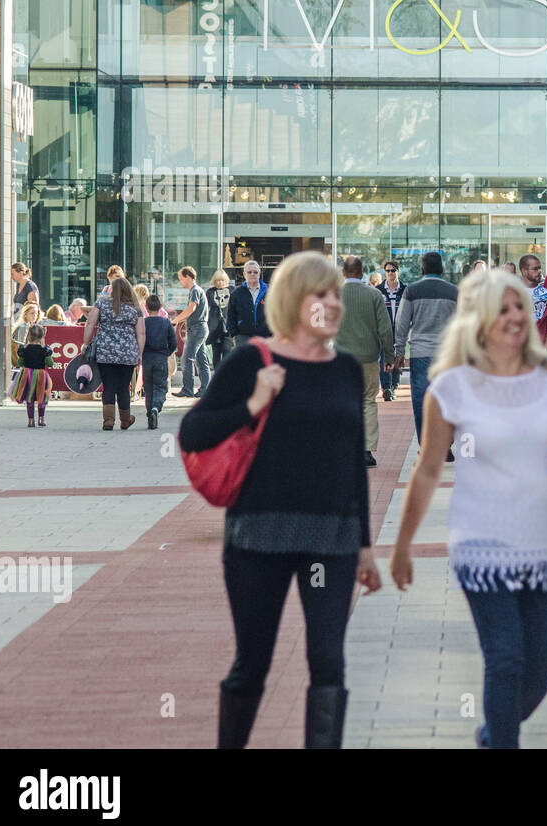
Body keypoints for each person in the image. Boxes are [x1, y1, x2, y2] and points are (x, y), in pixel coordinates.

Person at [179, 251, 382, 750]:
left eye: (336, 294)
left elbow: (351, 462)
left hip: (329, 538)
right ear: (294, 301)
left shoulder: (345, 372)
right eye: (322, 294)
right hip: (258, 534)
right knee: (254, 662)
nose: (333, 303)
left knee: (329, 659)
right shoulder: (253, 359)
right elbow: (193, 430)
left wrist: (362, 544)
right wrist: (253, 404)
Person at [387, 269, 547, 749]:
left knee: (541, 669)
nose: (516, 317)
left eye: (519, 305)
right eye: (503, 308)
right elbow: (429, 470)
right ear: (478, 321)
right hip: (482, 542)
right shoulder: (452, 388)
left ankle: (492, 733)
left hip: (545, 544)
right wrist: (401, 546)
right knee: (505, 662)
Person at [393, 251, 459, 462]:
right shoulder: (454, 291)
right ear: (441, 269)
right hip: (447, 355)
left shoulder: (411, 290)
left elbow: (401, 324)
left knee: (422, 402)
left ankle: (427, 447)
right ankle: (445, 446)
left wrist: (398, 351)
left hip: (420, 354)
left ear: (422, 269)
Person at [334, 256, 395, 469]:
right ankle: (366, 450)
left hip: (341, 359)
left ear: (343, 273)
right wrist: (389, 357)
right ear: (362, 273)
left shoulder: (334, 296)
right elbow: (385, 329)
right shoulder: (374, 295)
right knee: (368, 401)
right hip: (369, 358)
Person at [85, 276, 145, 430]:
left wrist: (85, 343)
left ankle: (108, 421)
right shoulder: (135, 309)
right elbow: (141, 333)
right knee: (124, 387)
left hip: (106, 351)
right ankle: (125, 420)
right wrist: (140, 353)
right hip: (128, 352)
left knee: (109, 386)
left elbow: (91, 322)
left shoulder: (102, 303)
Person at [137, 294, 176, 429]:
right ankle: (156, 408)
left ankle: (150, 414)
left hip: (147, 358)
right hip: (161, 358)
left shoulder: (144, 322)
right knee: (160, 387)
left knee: (148, 388)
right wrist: (167, 353)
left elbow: (139, 339)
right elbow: (173, 342)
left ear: (146, 307)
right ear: (160, 307)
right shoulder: (166, 322)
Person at [171, 267, 211, 398]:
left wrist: (176, 320)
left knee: (187, 359)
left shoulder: (194, 290)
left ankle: (188, 389)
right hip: (201, 328)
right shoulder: (198, 290)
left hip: (197, 329)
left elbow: (191, 308)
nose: (180, 282)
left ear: (188, 277)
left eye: (181, 279)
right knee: (201, 360)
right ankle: (205, 389)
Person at [11, 323, 53, 427]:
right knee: (41, 397)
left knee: (29, 397)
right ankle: (41, 419)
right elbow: (50, 363)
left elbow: (19, 363)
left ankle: (30, 420)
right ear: (42, 337)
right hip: (41, 376)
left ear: (28, 336)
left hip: (27, 375)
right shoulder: (45, 351)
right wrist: (46, 353)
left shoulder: (24, 350)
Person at [376, 260, 405, 402]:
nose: (390, 273)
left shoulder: (405, 290)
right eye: (387, 271)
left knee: (398, 357)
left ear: (398, 271)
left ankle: (394, 386)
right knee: (385, 357)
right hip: (384, 330)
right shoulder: (378, 290)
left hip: (400, 330)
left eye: (393, 270)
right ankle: (386, 388)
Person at [227, 261, 271, 347]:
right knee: (245, 361)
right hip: (243, 337)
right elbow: (231, 315)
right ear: (244, 274)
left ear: (259, 273)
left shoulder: (270, 291)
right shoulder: (236, 293)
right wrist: (234, 333)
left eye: (255, 272)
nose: (252, 274)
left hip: (266, 337)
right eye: (249, 272)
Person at [520, 253, 547, 346]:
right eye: (535, 269)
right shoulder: (513, 292)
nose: (539, 271)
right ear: (524, 271)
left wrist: (545, 350)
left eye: (540, 268)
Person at [206, 270, 236, 372]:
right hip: (214, 327)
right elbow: (206, 308)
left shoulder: (232, 290)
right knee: (216, 354)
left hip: (228, 327)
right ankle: (217, 377)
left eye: (222, 280)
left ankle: (226, 376)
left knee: (227, 351)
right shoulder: (210, 292)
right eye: (218, 280)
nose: (220, 282)